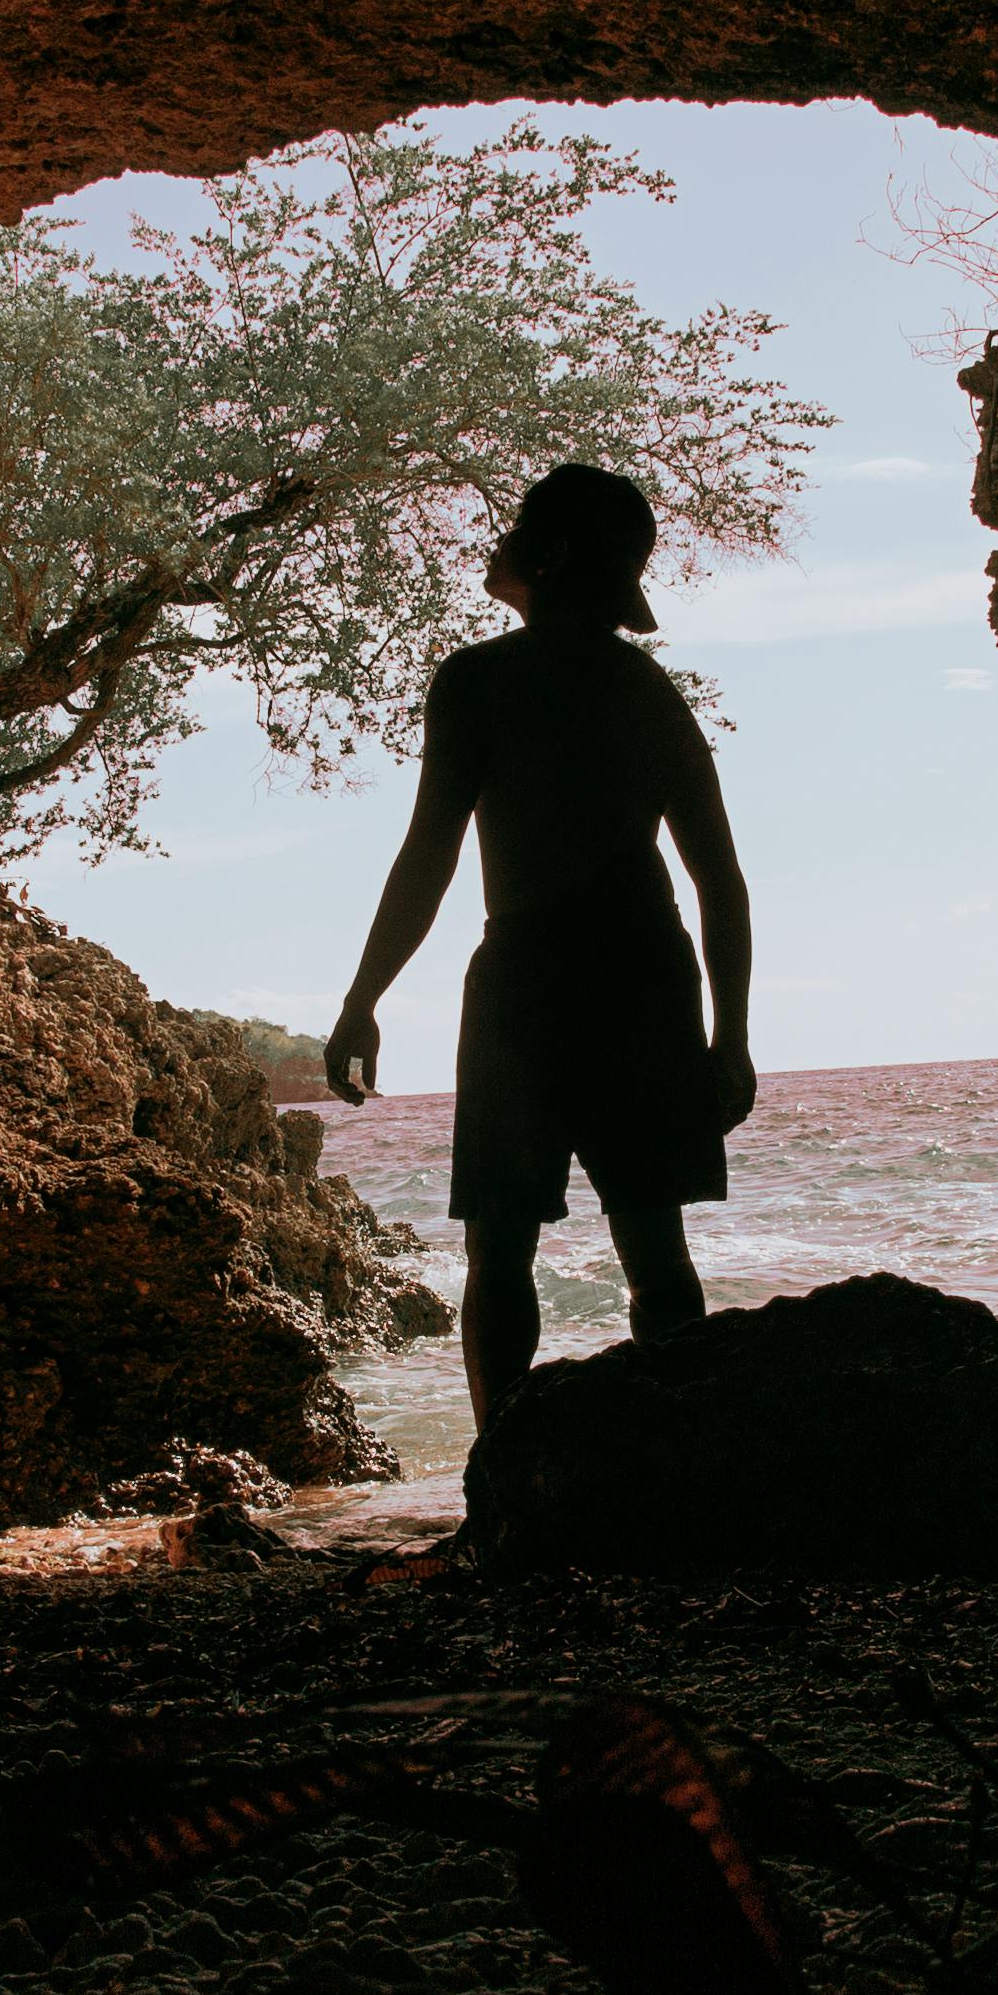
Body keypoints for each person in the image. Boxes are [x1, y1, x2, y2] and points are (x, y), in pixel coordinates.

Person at [326, 463, 756, 1429]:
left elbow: (428, 856)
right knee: (655, 1243)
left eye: (519, 522)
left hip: (526, 976)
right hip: (647, 974)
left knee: (501, 1244)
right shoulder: (649, 691)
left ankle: (500, 1481)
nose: (501, 535)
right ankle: (684, 1474)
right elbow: (719, 882)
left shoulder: (479, 682)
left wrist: (363, 1000)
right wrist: (730, 1038)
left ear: (552, 553)